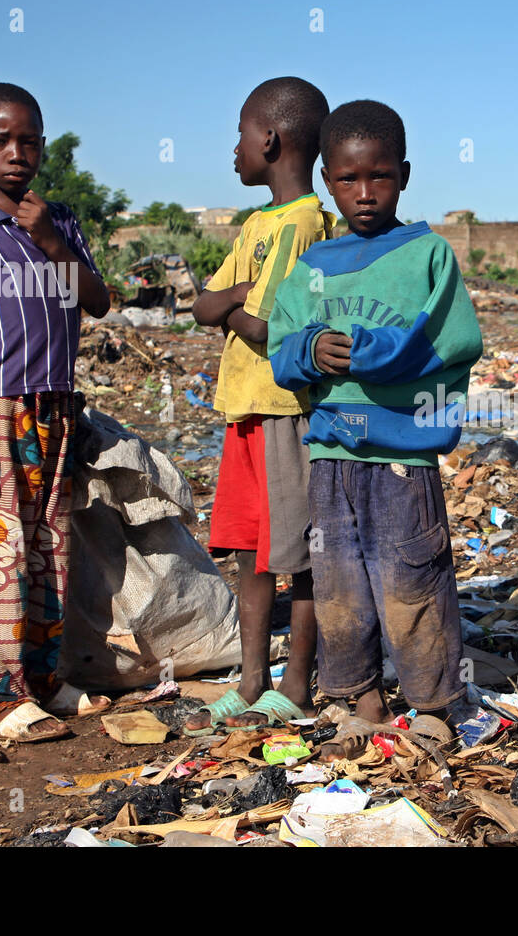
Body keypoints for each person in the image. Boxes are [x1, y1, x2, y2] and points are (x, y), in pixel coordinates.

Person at [267, 100, 483, 750]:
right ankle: (362, 698)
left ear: (405, 175)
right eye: (349, 178)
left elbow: (451, 340)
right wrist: (309, 351)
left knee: (410, 581)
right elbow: (282, 346)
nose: (364, 193)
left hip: (401, 459)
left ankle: (433, 706)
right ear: (328, 180)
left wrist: (363, 351)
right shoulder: (312, 267)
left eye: (379, 177)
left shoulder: (427, 256)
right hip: (332, 455)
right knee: (341, 587)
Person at [0, 83, 112, 742]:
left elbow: (96, 301)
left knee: (49, 550)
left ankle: (43, 680)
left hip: (57, 405)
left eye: (29, 140)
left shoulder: (58, 221)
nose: (17, 152)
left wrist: (51, 242)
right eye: (1, 140)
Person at [181, 77, 333, 736]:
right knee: (250, 553)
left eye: (239, 135)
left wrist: (233, 302)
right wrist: (238, 297)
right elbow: (202, 305)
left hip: (284, 411)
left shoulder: (304, 224)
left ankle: (294, 684)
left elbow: (267, 326)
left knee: (294, 556)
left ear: (268, 139)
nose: (233, 150)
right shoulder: (256, 226)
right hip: (244, 410)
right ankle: (249, 682)